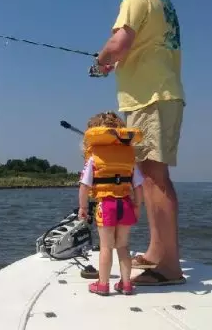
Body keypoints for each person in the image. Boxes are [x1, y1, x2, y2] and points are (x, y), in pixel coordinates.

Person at [93, 0, 186, 286]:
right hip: (161, 94)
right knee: (151, 176)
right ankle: (156, 252)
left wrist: (100, 62)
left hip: (151, 97)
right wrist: (111, 60)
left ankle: (168, 267)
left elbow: (119, 43)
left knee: (153, 178)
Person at [78, 111, 144, 296]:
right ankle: (126, 284)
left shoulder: (94, 158)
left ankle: (103, 284)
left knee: (106, 246)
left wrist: (83, 208)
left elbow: (84, 186)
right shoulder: (129, 157)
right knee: (123, 246)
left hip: (106, 206)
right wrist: (138, 206)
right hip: (126, 205)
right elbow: (138, 186)